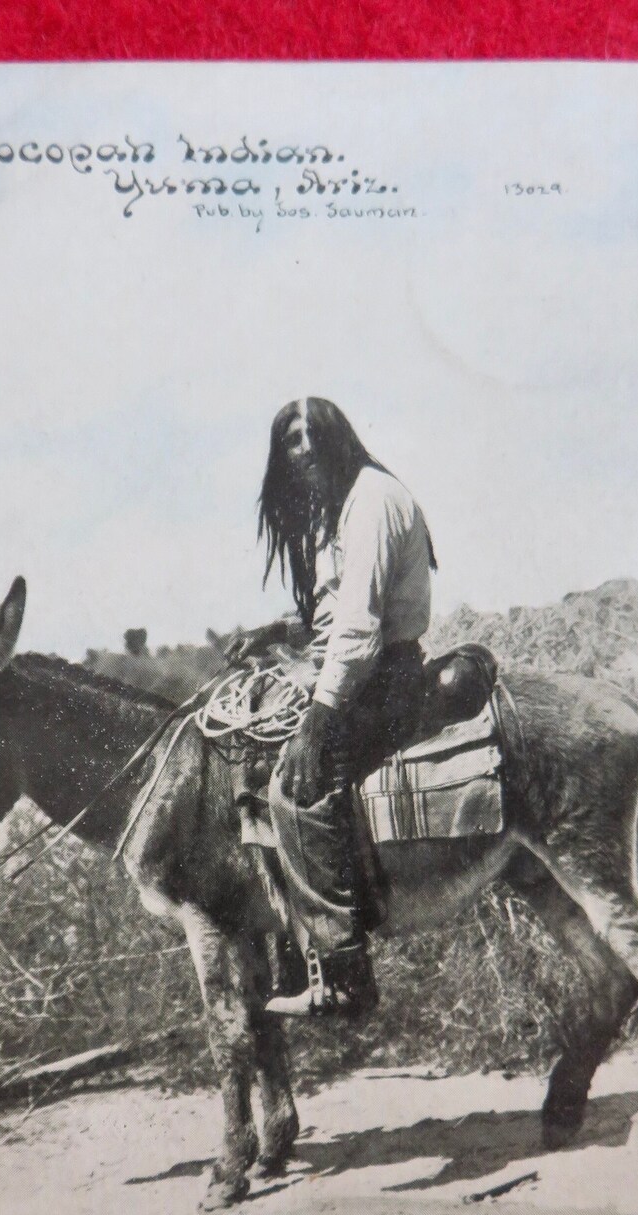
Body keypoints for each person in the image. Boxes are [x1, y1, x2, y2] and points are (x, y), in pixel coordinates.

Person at [228, 398, 436, 1019]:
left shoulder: (370, 500)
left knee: (296, 782)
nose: (305, 449)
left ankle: (345, 970)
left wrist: (317, 722)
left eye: (313, 435)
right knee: (251, 746)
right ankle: (299, 944)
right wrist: (279, 629)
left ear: (338, 437)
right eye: (291, 441)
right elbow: (335, 605)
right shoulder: (341, 508)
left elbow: (356, 634)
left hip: (383, 677)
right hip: (360, 669)